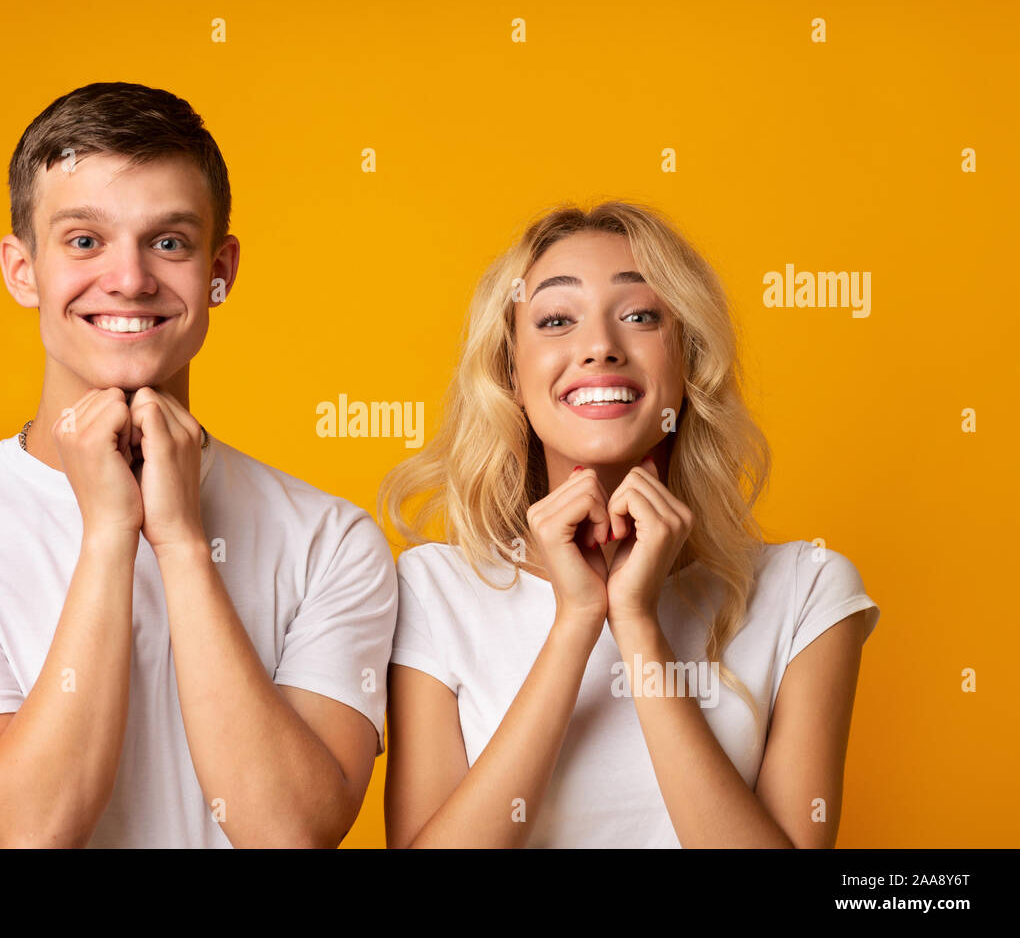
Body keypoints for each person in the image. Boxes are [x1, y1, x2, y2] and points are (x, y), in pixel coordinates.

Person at [0, 82, 397, 848]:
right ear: (21, 269)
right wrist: (109, 534)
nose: (130, 278)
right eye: (83, 241)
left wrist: (177, 541)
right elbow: (23, 833)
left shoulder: (333, 542)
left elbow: (288, 835)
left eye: (169, 241)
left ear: (220, 269)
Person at [377, 201, 880, 848]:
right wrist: (577, 621)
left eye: (640, 316)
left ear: (690, 359)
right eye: (556, 320)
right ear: (511, 372)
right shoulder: (434, 589)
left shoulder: (807, 589)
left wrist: (638, 625)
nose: (599, 348)